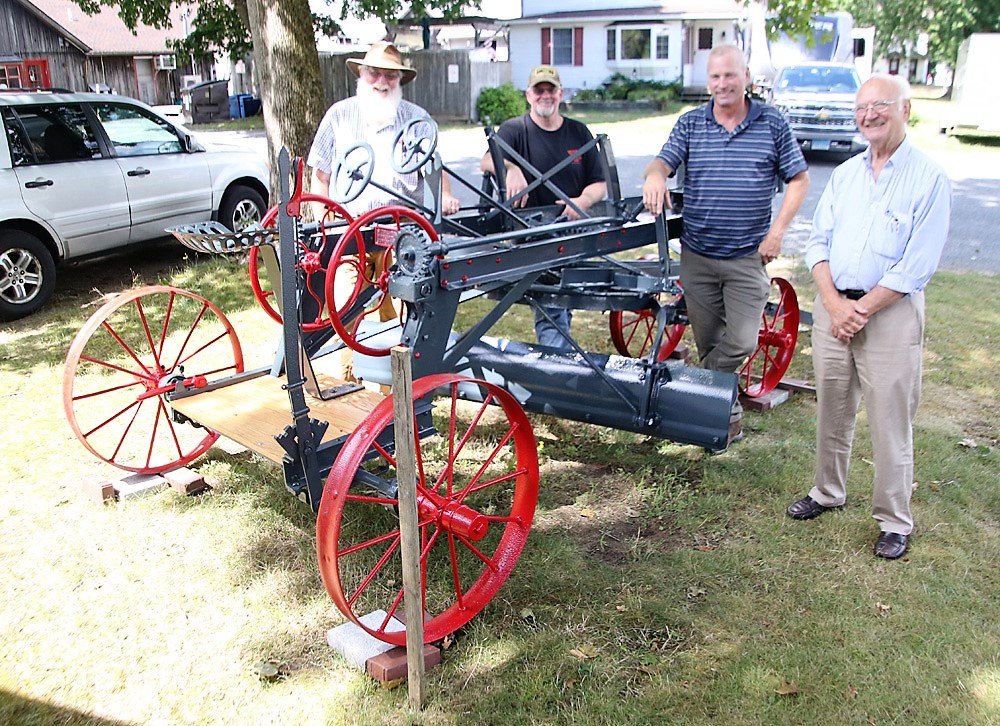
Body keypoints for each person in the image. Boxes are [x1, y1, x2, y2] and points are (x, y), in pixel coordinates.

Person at [785, 74, 952, 560]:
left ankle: (894, 519)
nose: (869, 114)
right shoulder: (846, 173)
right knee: (832, 411)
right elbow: (818, 242)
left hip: (890, 316)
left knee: (889, 422)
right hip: (835, 309)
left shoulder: (928, 177)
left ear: (905, 109)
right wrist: (834, 305)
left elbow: (917, 265)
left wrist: (859, 310)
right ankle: (827, 492)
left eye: (881, 105)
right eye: (861, 107)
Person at [642, 44, 809, 443]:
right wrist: (655, 176)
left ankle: (693, 386)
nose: (722, 84)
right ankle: (724, 416)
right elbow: (661, 162)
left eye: (730, 75)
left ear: (746, 76)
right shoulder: (690, 123)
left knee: (742, 340)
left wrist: (777, 231)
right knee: (709, 338)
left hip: (746, 256)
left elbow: (799, 180)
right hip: (697, 255)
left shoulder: (771, 123)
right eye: (715, 77)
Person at [480, 64, 607, 350]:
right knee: (552, 308)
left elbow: (599, 184)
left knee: (561, 304)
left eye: (551, 89)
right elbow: (487, 161)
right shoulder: (515, 130)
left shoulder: (578, 132)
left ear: (560, 94)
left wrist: (583, 201)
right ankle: (556, 368)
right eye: (539, 90)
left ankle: (558, 362)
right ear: (529, 95)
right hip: (531, 237)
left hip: (571, 233)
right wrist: (510, 167)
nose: (545, 95)